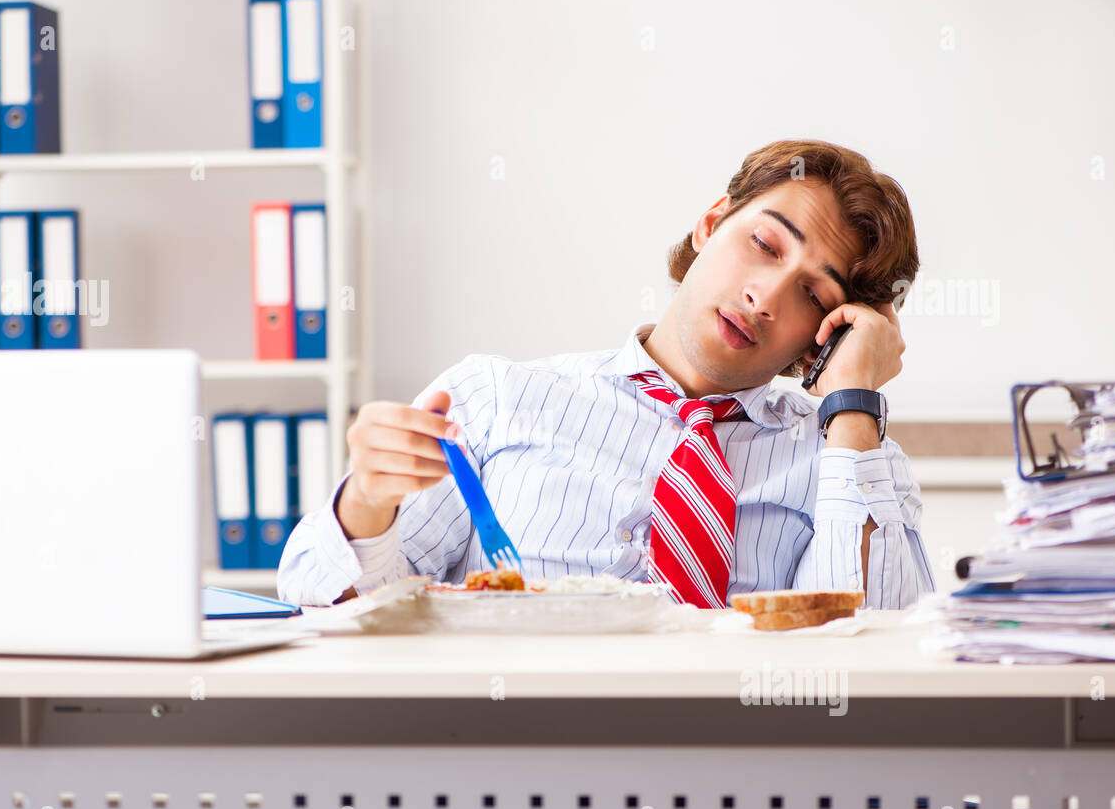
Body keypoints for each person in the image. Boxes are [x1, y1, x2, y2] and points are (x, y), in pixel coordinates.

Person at [277, 139, 936, 608]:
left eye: (814, 296)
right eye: (763, 245)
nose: (765, 295)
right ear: (711, 223)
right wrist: (367, 503)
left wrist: (852, 403)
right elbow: (321, 595)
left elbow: (880, 655)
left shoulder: (851, 458)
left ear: (828, 332)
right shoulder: (494, 399)